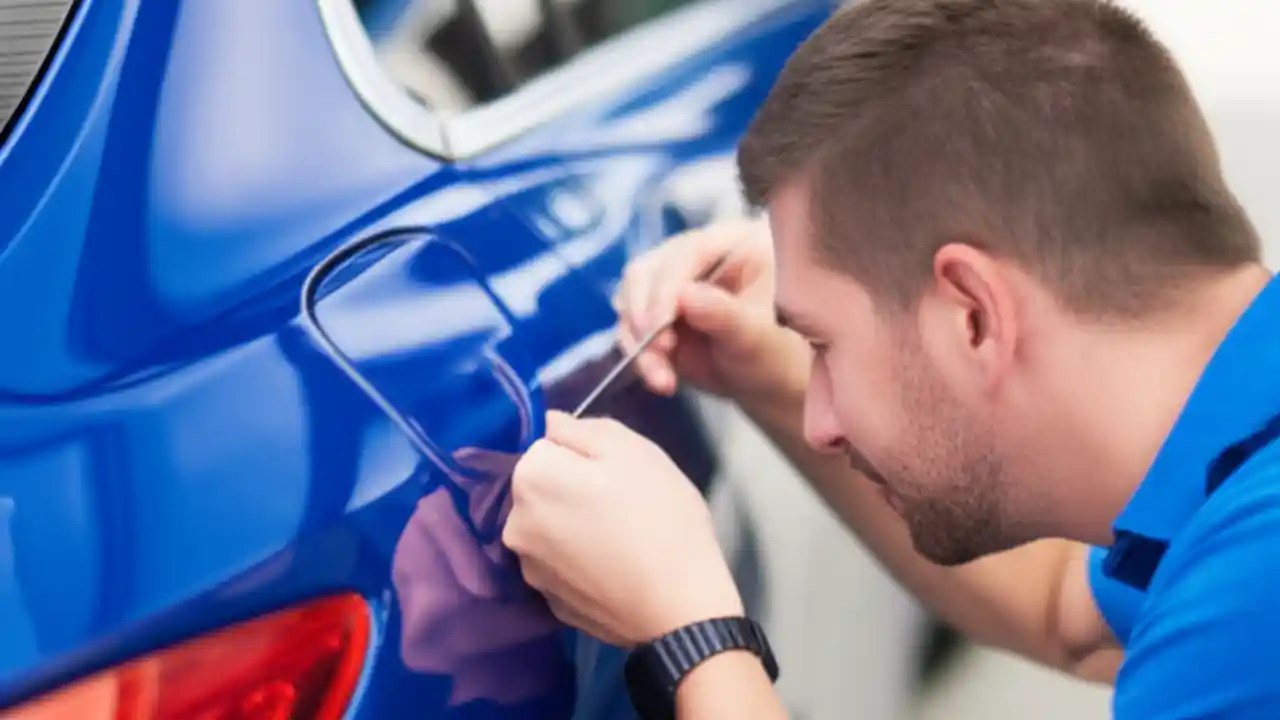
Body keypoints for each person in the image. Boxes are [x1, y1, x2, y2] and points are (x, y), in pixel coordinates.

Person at [500, 0, 1280, 717]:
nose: (820, 425)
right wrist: (766, 366)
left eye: (825, 346)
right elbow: (1065, 616)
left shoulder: (1251, 603)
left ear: (971, 314)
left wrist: (692, 634)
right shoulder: (1233, 493)